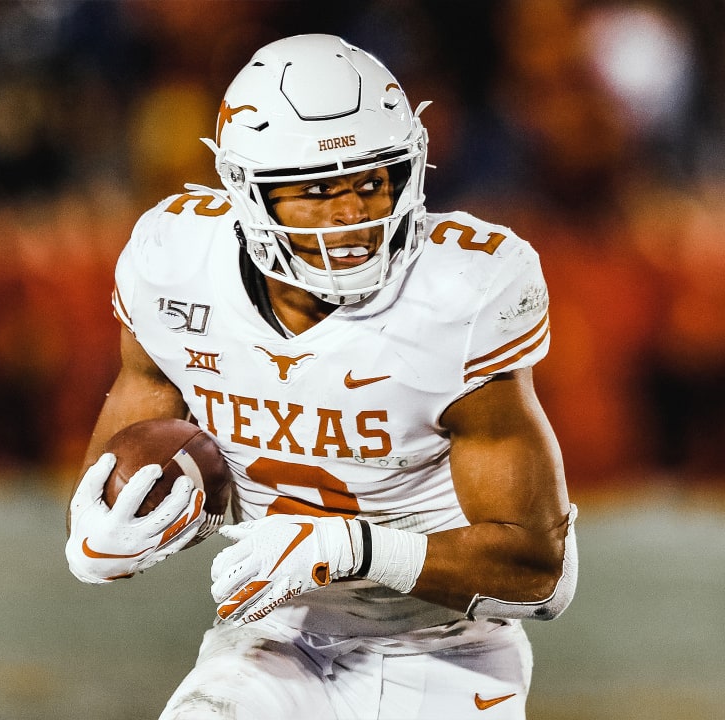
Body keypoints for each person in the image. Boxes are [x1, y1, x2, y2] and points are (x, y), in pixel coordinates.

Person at [65, 34, 577, 720]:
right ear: (247, 192)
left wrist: (351, 547)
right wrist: (106, 528)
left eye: (372, 181)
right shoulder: (176, 263)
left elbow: (541, 576)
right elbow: (133, 452)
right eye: (316, 191)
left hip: (443, 646)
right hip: (275, 635)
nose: (354, 215)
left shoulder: (460, 293)